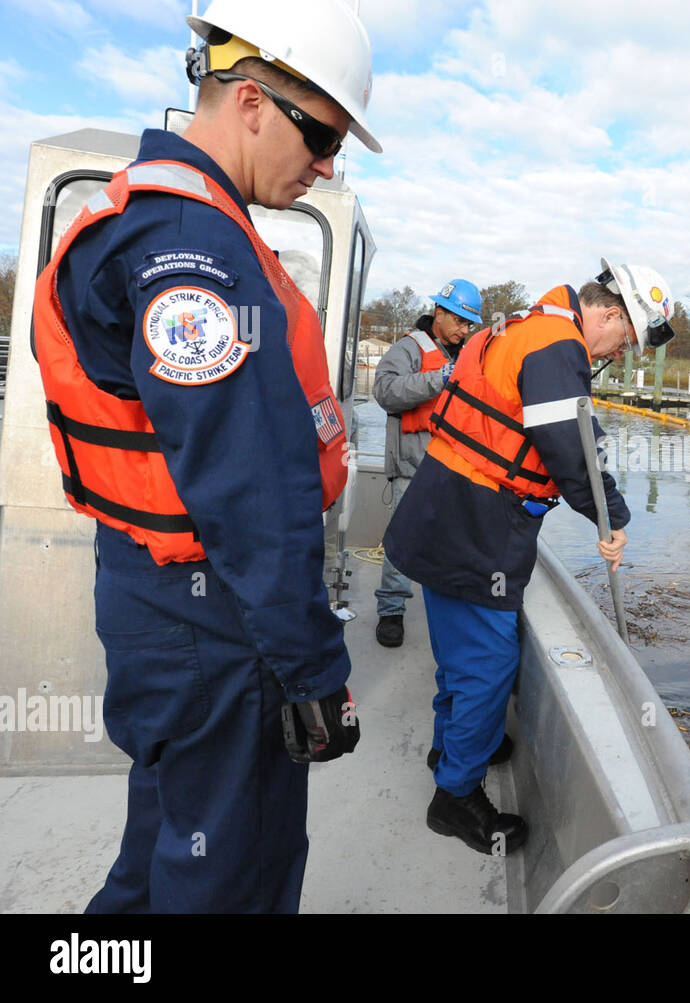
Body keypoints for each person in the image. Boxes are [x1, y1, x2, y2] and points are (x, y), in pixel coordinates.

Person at [32, 0, 380, 912]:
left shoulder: (163, 222)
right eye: (323, 135)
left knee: (165, 839)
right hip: (213, 625)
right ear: (254, 101)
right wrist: (315, 673)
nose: (326, 164)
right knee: (232, 869)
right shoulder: (193, 252)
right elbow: (250, 496)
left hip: (162, 602)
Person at [385, 258, 675, 855]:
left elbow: (567, 433)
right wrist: (611, 516)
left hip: (449, 511)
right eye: (626, 340)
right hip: (473, 525)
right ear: (612, 314)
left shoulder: (534, 327)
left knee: (461, 656)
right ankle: (455, 795)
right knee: (488, 663)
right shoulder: (555, 345)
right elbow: (570, 452)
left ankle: (455, 745)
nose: (622, 353)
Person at [372, 281, 482, 648]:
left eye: (470, 325)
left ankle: (451, 612)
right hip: (412, 466)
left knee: (452, 543)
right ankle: (391, 611)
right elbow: (386, 392)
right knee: (403, 542)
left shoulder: (467, 353)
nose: (465, 330)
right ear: (440, 313)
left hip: (453, 467)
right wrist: (440, 378)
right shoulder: (408, 349)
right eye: (460, 321)